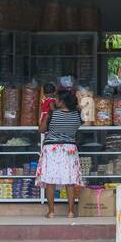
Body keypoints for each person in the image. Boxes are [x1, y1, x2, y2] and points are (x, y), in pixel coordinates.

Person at [37, 90, 83, 219]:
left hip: (52, 149)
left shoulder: (52, 114)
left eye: (57, 99)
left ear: (62, 101)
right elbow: (81, 119)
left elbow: (41, 129)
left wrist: (46, 113)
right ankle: (71, 212)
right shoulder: (78, 115)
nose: (55, 101)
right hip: (69, 149)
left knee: (50, 181)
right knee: (70, 181)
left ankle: (51, 212)